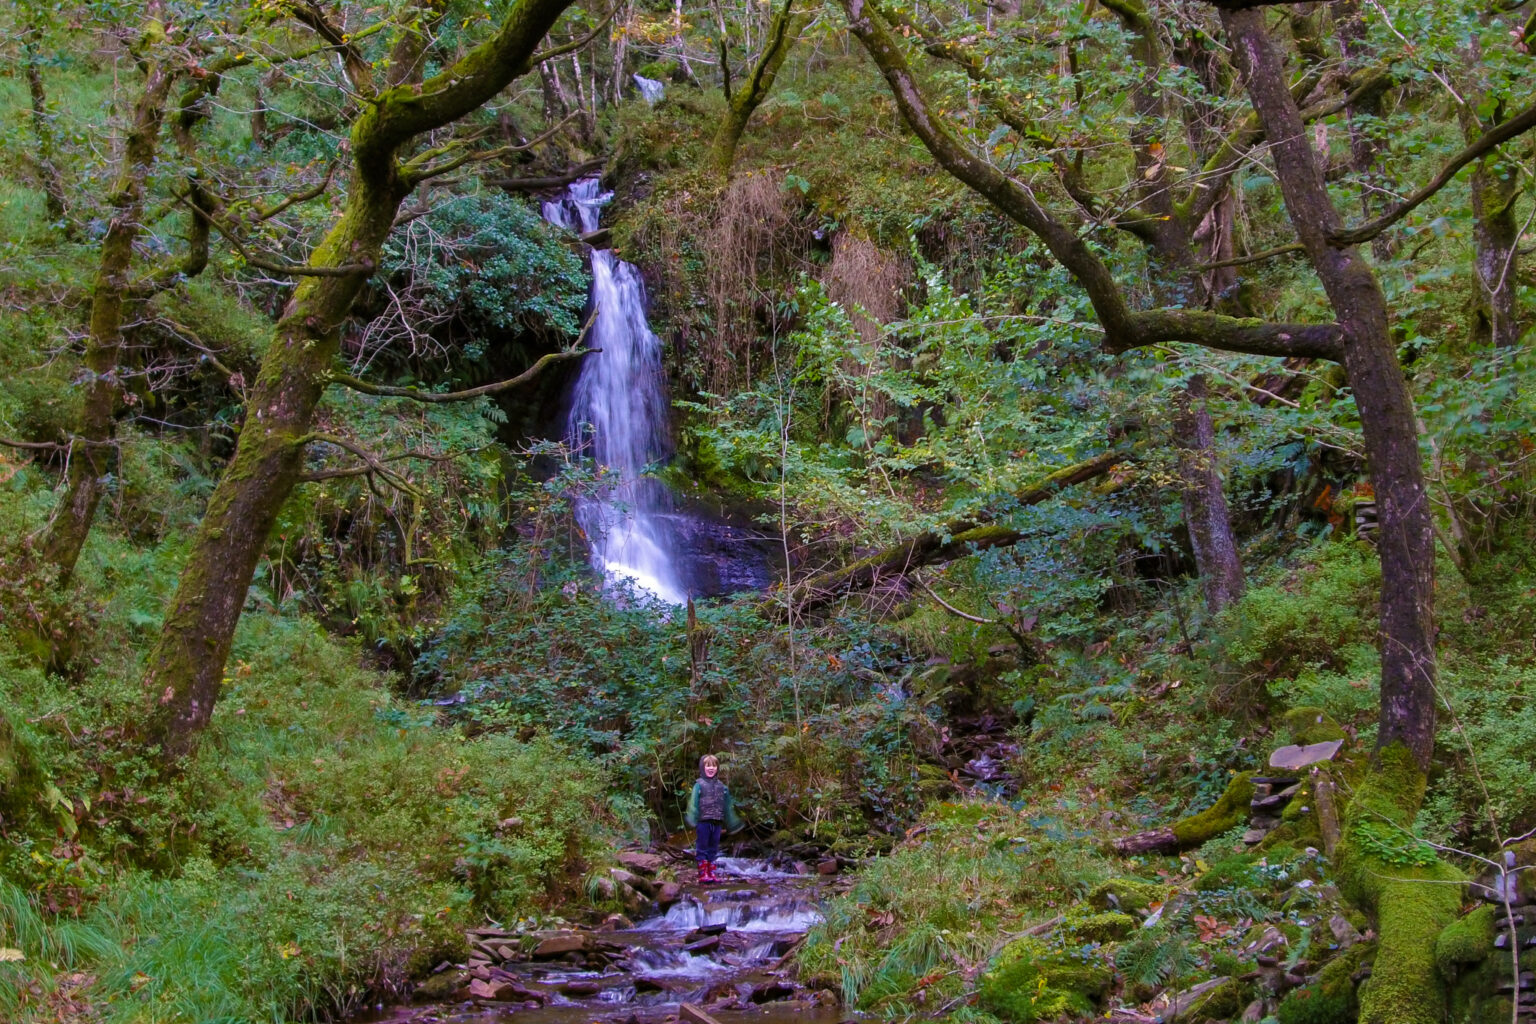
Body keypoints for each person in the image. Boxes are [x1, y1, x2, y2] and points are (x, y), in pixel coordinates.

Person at [684, 754, 742, 883]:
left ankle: (711, 872)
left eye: (714, 766)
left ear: (717, 768)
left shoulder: (723, 787)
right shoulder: (698, 785)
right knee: (702, 846)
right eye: (708, 765)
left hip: (717, 821)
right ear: (702, 768)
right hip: (703, 821)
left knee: (713, 847)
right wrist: (692, 817)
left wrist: (733, 823)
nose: (711, 768)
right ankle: (702, 873)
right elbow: (693, 803)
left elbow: (728, 807)